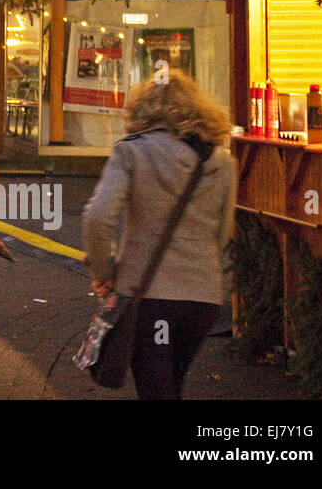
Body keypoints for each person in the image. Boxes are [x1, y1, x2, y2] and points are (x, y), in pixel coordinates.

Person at [82, 71, 236, 400]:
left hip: (150, 299)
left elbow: (98, 217)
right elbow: (224, 234)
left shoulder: (132, 152)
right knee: (170, 384)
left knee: (156, 388)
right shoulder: (222, 162)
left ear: (143, 109)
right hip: (203, 299)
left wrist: (103, 272)